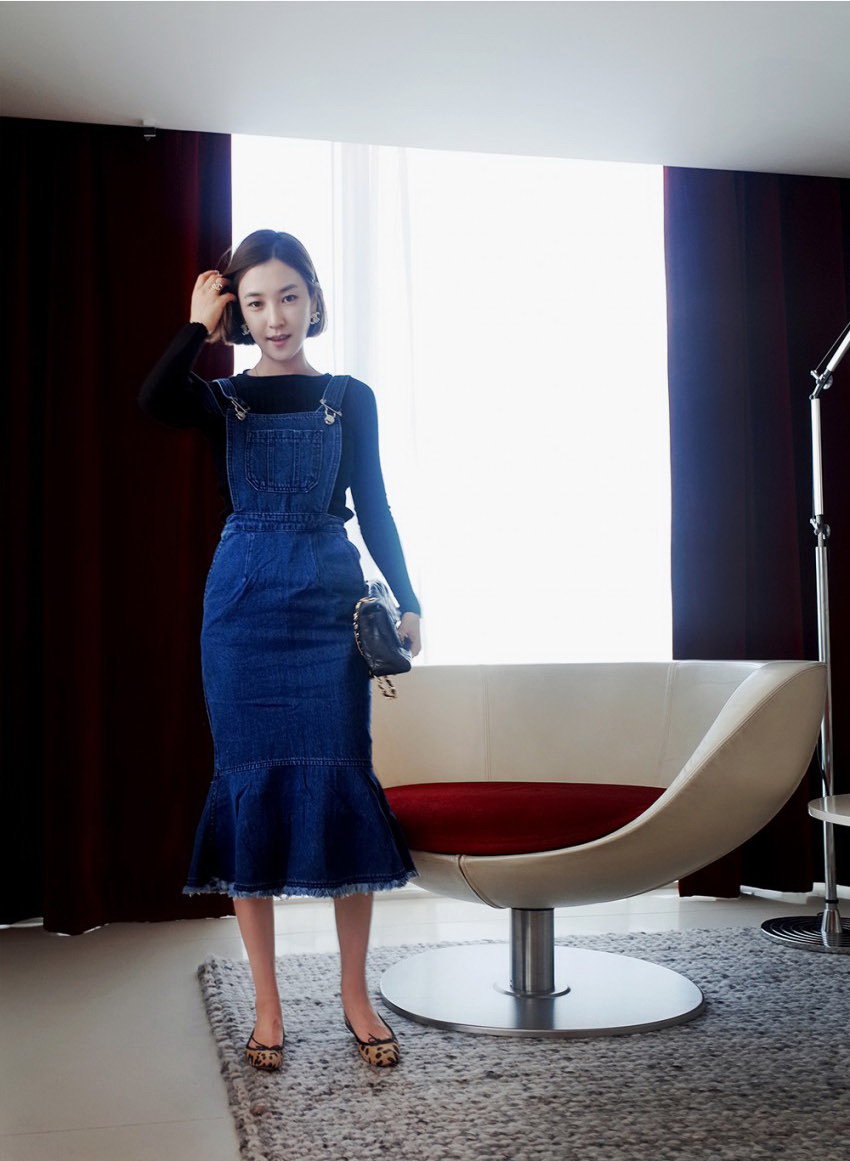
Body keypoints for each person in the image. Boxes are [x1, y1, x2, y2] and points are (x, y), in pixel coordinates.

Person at [139, 229, 422, 1071]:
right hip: (242, 611)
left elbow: (375, 503)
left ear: (313, 299)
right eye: (255, 301)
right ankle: (267, 1004)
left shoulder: (349, 396)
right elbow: (154, 397)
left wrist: (408, 596)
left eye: (288, 297)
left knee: (343, 782)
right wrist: (197, 325)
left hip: (328, 602)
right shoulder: (222, 398)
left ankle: (354, 994)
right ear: (238, 310)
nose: (274, 317)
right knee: (249, 793)